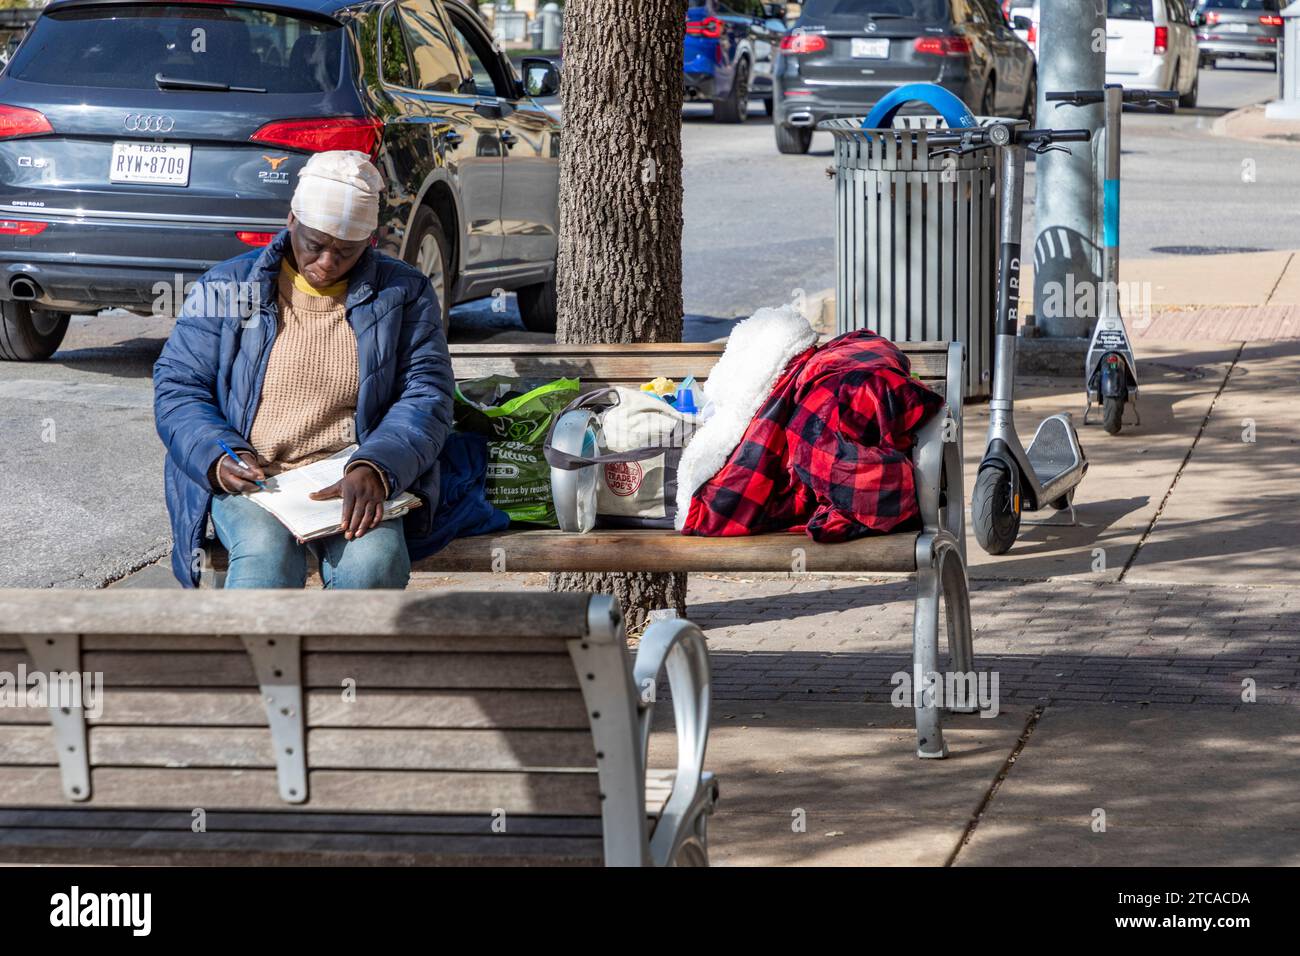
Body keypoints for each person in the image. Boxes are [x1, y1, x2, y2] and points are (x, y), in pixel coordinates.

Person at [154, 150, 454, 589]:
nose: (328, 262)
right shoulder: (226, 287)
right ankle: (262, 659)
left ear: (369, 243)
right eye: (315, 244)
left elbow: (426, 394)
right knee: (266, 558)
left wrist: (375, 467)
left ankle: (341, 661)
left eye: (345, 251)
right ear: (291, 219)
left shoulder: (403, 292)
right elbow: (179, 386)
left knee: (374, 563)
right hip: (256, 477)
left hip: (349, 474)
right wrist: (219, 456)